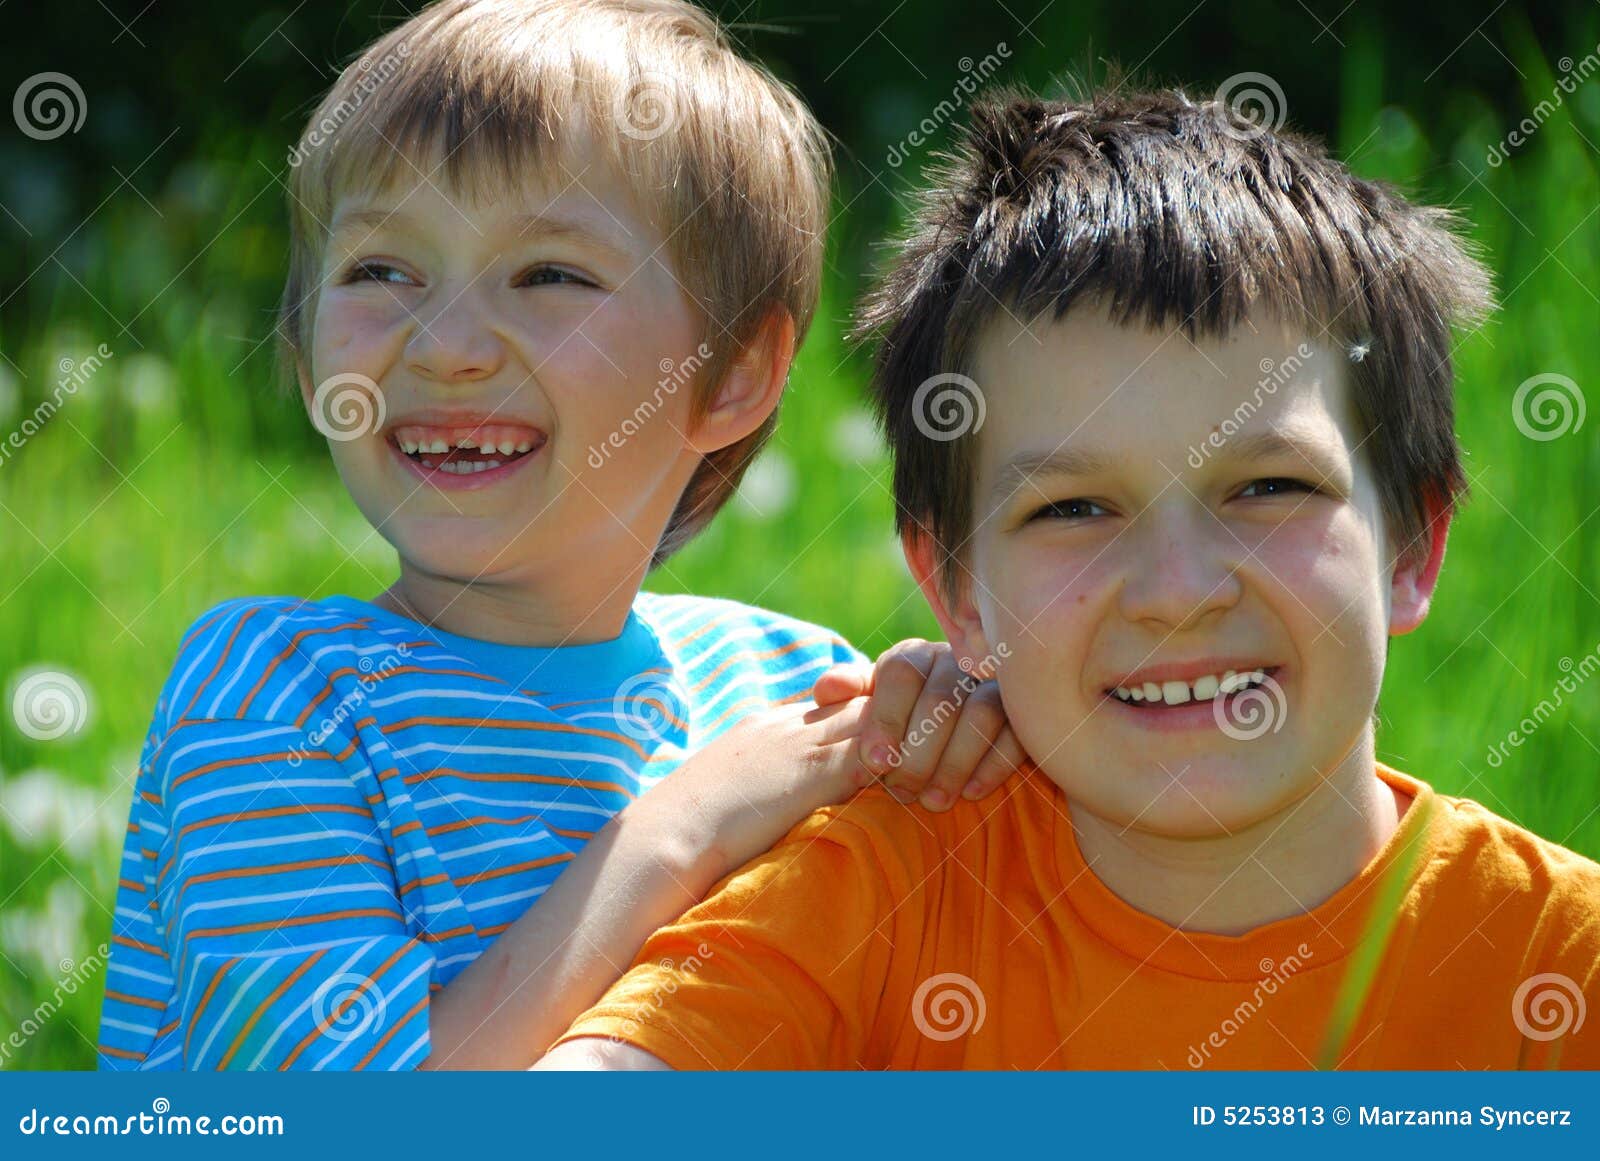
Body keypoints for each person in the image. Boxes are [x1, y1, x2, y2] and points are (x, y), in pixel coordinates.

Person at [538, 84, 1600, 1070]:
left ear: (1412, 548)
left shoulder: (1560, 962)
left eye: (1267, 488)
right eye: (1074, 510)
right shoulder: (874, 894)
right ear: (956, 593)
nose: (1177, 589)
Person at [96, 0, 1026, 1071]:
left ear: (732, 375)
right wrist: (688, 826)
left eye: (547, 276)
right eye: (379, 272)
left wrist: (986, 729)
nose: (444, 346)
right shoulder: (277, 696)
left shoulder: (794, 685)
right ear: (309, 365)